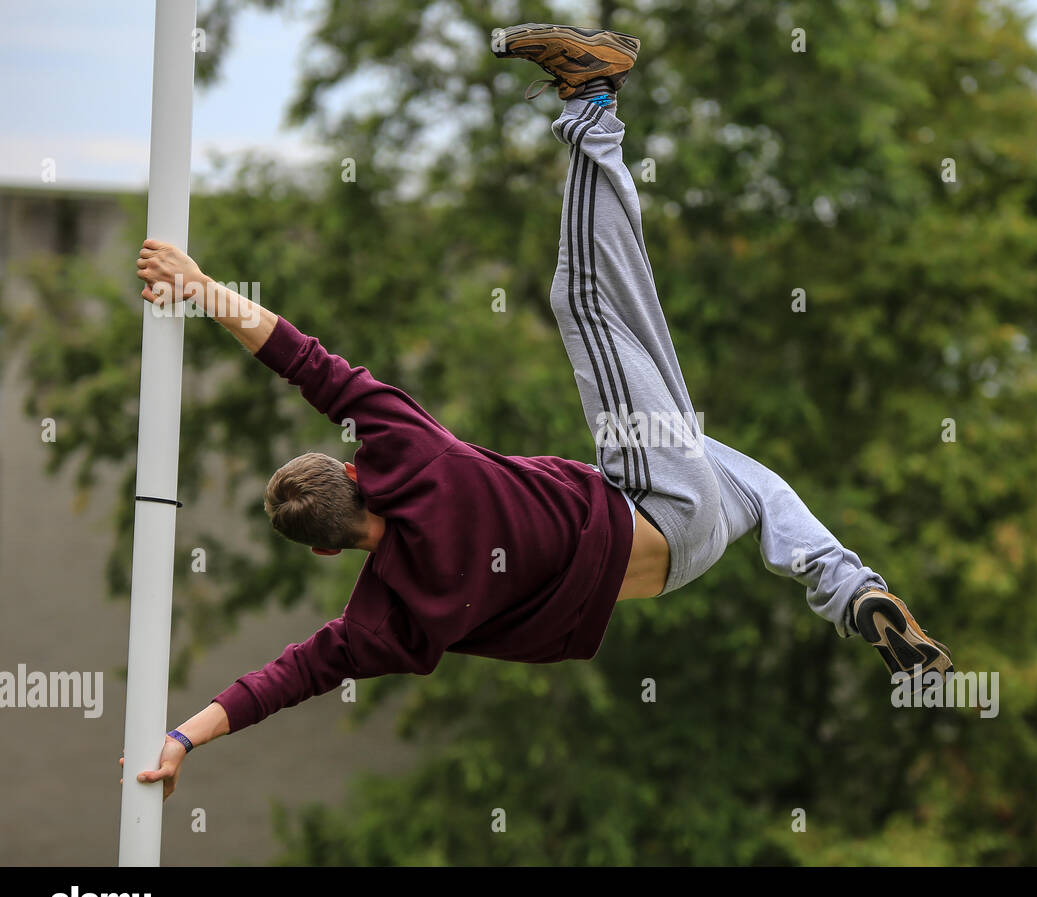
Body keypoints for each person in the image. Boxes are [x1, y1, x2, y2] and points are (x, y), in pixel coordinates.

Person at [124, 23, 951, 801]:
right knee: (582, 299)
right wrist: (200, 289)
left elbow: (290, 674)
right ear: (352, 468)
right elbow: (306, 361)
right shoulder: (408, 457)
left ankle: (851, 593)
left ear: (325, 551)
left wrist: (184, 740)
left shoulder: (387, 618)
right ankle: (593, 105)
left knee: (757, 486)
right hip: (649, 499)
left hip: (682, 559)